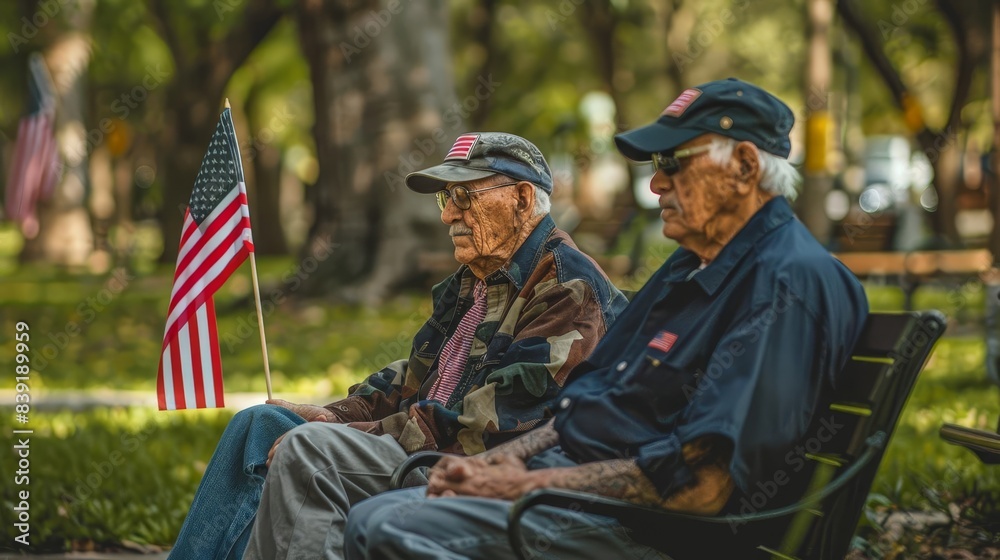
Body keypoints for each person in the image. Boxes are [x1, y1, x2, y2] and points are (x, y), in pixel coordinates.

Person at [343, 78, 871, 560]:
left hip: (646, 529)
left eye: (673, 163)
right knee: (379, 515)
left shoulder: (786, 283)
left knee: (389, 526)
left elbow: (702, 486)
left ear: (745, 167)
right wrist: (503, 462)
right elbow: (585, 405)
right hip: (575, 498)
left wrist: (527, 485)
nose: (656, 185)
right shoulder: (691, 266)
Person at [167, 132, 628, 560]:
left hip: (468, 463)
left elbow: (491, 423)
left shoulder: (567, 288)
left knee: (309, 451)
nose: (448, 215)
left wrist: (353, 435)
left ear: (522, 198)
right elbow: (413, 377)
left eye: (463, 197)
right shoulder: (474, 281)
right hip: (424, 443)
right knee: (259, 424)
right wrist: (336, 415)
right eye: (446, 198)